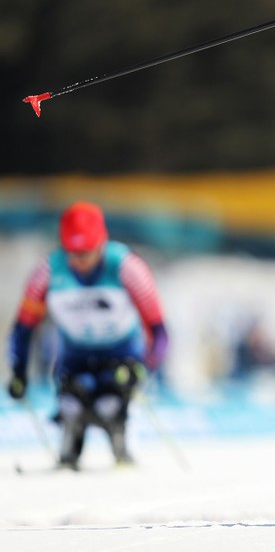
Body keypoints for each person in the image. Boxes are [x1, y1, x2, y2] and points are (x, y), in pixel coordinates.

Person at [6, 201, 169, 469]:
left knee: (110, 402)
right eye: (72, 253)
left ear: (101, 243)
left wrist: (148, 367)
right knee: (72, 402)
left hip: (122, 352)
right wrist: (18, 371)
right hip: (75, 355)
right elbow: (24, 326)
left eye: (87, 252)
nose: (80, 261)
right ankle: (69, 449)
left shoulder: (127, 268)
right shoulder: (47, 272)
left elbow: (159, 328)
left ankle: (123, 443)